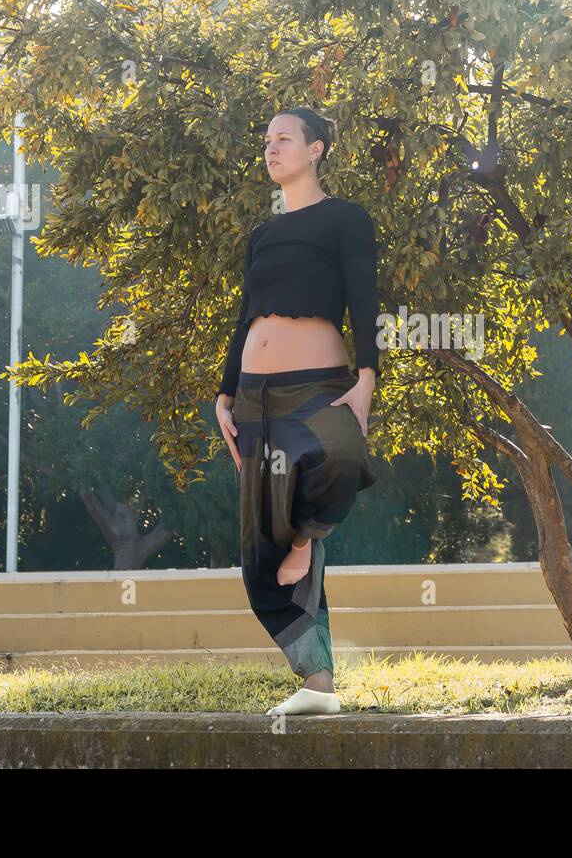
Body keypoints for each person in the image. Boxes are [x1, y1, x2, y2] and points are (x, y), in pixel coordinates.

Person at [214, 106, 380, 716]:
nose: (271, 147)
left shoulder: (345, 220)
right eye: (266, 139)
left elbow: (364, 299)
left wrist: (366, 381)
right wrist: (224, 395)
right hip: (254, 398)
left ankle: (309, 536)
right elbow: (244, 319)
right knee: (261, 561)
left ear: (317, 150)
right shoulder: (261, 235)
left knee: (339, 456)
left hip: (318, 386)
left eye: (283, 138)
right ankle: (318, 686)